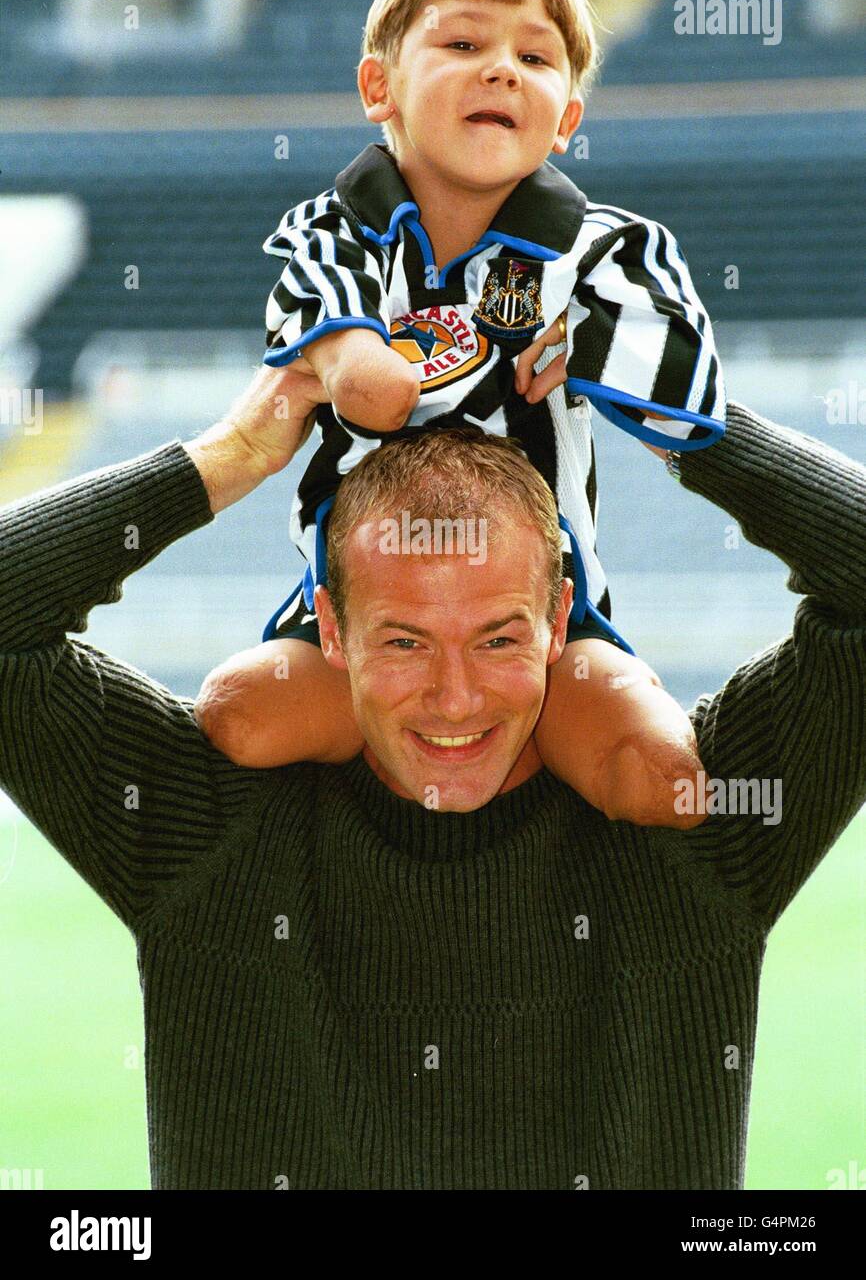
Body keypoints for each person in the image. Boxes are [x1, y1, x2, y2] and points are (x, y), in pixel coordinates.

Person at [0, 355, 862, 1189]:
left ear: (561, 619)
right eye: (405, 642)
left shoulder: (694, 821)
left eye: (498, 639)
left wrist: (685, 416)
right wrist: (231, 454)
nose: (455, 701)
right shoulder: (201, 826)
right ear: (328, 630)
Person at [193, 0, 725, 825]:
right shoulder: (332, 235)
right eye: (464, 43)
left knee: (661, 781)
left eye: (536, 56)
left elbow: (694, 403)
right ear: (379, 86)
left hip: (554, 633)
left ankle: (515, 734)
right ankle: (420, 737)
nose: (502, 69)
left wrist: (589, 341)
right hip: (355, 627)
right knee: (239, 720)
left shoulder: (607, 250)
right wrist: (362, 356)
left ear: (566, 119)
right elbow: (358, 375)